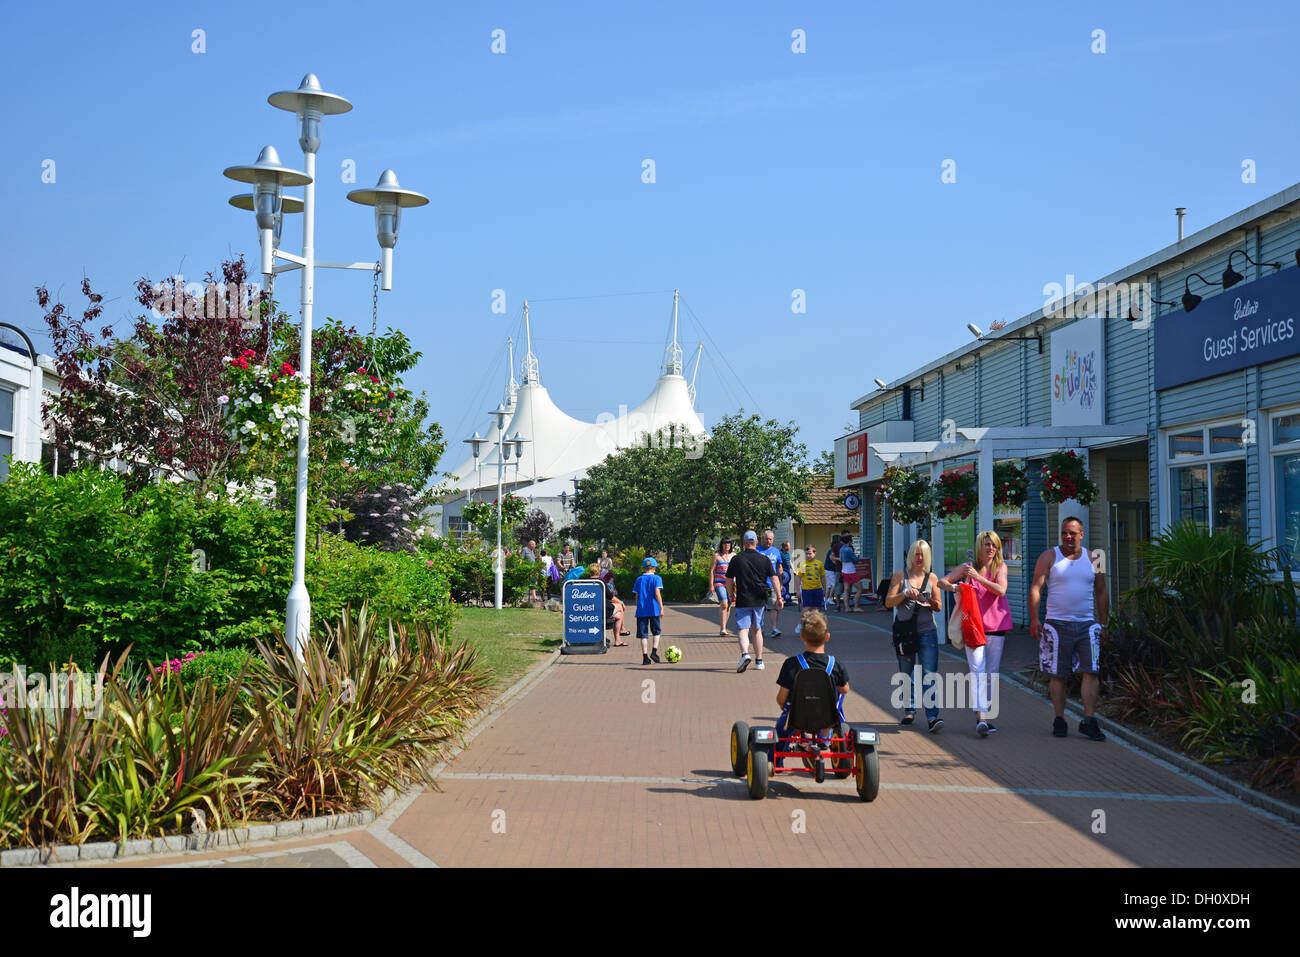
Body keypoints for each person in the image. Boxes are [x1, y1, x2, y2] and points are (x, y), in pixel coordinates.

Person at [1029, 516, 1109, 742]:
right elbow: (1036, 588)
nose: (1068, 536)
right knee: (1058, 674)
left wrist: (1103, 622)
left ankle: (1089, 720)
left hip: (1086, 624)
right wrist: (1035, 619)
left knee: (1091, 671)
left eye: (1073, 533)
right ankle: (1059, 719)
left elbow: (1102, 591)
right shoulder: (1048, 556)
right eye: (1064, 532)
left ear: (1082, 535)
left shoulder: (1095, 558)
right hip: (1056, 624)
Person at [943, 530, 1012, 736]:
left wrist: (978, 580)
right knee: (977, 671)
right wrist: (957, 587)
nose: (990, 549)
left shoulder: (1000, 567)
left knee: (990, 674)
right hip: (973, 627)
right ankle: (982, 718)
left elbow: (1001, 590)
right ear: (979, 547)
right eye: (986, 544)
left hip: (996, 626)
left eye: (994, 545)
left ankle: (983, 712)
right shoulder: (967, 568)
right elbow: (941, 582)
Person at [886, 539, 957, 732]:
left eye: (922, 554)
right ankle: (909, 710)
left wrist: (929, 602)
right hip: (905, 633)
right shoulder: (901, 576)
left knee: (929, 675)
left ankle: (932, 717)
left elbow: (939, 605)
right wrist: (905, 595)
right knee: (906, 674)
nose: (919, 558)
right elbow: (889, 602)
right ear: (911, 556)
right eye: (916, 554)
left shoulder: (932, 577)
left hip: (927, 633)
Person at [774, 610, 850, 766]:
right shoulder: (835, 665)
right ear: (827, 637)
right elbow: (845, 689)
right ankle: (824, 739)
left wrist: (784, 705)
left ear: (802, 636)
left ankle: (775, 761)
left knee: (781, 729)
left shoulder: (792, 664)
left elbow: (781, 698)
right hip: (828, 718)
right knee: (839, 695)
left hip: (797, 717)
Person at [726, 530, 783, 673]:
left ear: (744, 543)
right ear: (756, 542)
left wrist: (731, 595)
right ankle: (759, 661)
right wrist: (779, 596)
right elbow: (775, 578)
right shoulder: (765, 559)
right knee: (757, 630)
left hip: (743, 599)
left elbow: (728, 580)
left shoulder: (736, 559)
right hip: (759, 599)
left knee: (743, 629)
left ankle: (745, 654)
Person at [633, 556, 666, 665]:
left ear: (643, 568)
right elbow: (657, 593)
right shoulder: (657, 578)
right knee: (656, 631)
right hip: (654, 609)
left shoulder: (638, 579)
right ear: (655, 568)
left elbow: (637, 595)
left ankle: (645, 657)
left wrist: (638, 605)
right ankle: (654, 652)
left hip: (642, 610)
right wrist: (661, 607)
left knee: (643, 634)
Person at [589, 564, 629, 645]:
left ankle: (619, 638)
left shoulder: (584, 582)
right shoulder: (601, 582)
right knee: (620, 607)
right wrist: (621, 602)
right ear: (599, 572)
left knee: (619, 615)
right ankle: (621, 632)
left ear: (590, 572)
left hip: (588, 609)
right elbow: (611, 597)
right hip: (601, 610)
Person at [758, 530, 785, 638]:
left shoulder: (776, 551)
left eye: (770, 539)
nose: (768, 541)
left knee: (773, 606)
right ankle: (760, 628)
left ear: (773, 540)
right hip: (759, 584)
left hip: (773, 583)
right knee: (760, 607)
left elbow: (779, 567)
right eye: (766, 538)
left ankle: (774, 629)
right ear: (762, 539)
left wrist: (781, 582)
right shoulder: (757, 550)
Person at [712, 538, 735, 636]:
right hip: (719, 583)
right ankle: (723, 628)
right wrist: (711, 585)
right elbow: (712, 571)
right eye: (725, 543)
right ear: (722, 544)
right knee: (724, 603)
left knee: (729, 605)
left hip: (731, 583)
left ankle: (724, 627)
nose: (727, 545)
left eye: (729, 543)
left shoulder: (734, 555)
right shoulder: (717, 556)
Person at [798, 544, 826, 614]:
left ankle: (815, 624)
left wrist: (825, 589)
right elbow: (798, 578)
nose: (808, 556)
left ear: (814, 553)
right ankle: (801, 624)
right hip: (807, 590)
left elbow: (823, 577)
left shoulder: (819, 563)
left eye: (810, 554)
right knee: (806, 608)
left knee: (817, 609)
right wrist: (798, 591)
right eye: (806, 554)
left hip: (818, 589)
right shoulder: (802, 564)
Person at [839, 534, 863, 612]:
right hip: (851, 570)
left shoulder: (841, 549)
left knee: (846, 589)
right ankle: (856, 607)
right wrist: (858, 558)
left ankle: (847, 607)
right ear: (850, 541)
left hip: (844, 570)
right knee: (860, 589)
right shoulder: (849, 549)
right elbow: (856, 560)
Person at [825, 534, 844, 610]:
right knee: (834, 584)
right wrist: (838, 564)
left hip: (827, 570)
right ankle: (829, 598)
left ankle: (826, 599)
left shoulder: (830, 551)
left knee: (829, 586)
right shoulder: (832, 552)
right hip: (830, 570)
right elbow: (833, 561)